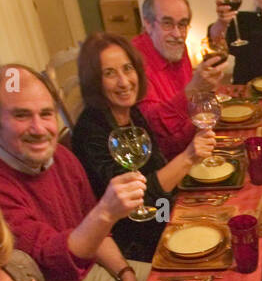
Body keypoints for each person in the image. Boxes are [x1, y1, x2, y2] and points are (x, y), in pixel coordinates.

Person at [0, 64, 152, 281]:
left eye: (46, 114)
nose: (39, 128)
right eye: (21, 116)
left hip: (85, 278)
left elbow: (91, 228)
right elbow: (52, 259)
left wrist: (125, 273)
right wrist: (107, 212)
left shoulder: (61, 157)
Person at [70, 33, 216, 263]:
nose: (124, 81)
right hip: (134, 243)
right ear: (93, 81)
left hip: (161, 217)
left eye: (127, 69)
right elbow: (139, 202)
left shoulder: (131, 113)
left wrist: (182, 214)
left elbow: (157, 172)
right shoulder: (90, 132)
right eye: (110, 73)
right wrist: (189, 157)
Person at [131, 0, 227, 158]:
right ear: (148, 24)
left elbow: (193, 109)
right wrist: (194, 90)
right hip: (167, 162)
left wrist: (206, 88)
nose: (177, 34)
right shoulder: (134, 62)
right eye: (167, 23)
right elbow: (152, 127)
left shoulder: (179, 49)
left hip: (193, 145)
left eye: (182, 24)